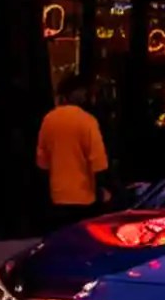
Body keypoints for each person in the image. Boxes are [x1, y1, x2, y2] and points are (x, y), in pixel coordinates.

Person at [36, 74, 114, 230]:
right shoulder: (87, 121)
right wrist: (105, 191)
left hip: (57, 197)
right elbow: (98, 163)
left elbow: (42, 162)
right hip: (85, 199)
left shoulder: (48, 120)